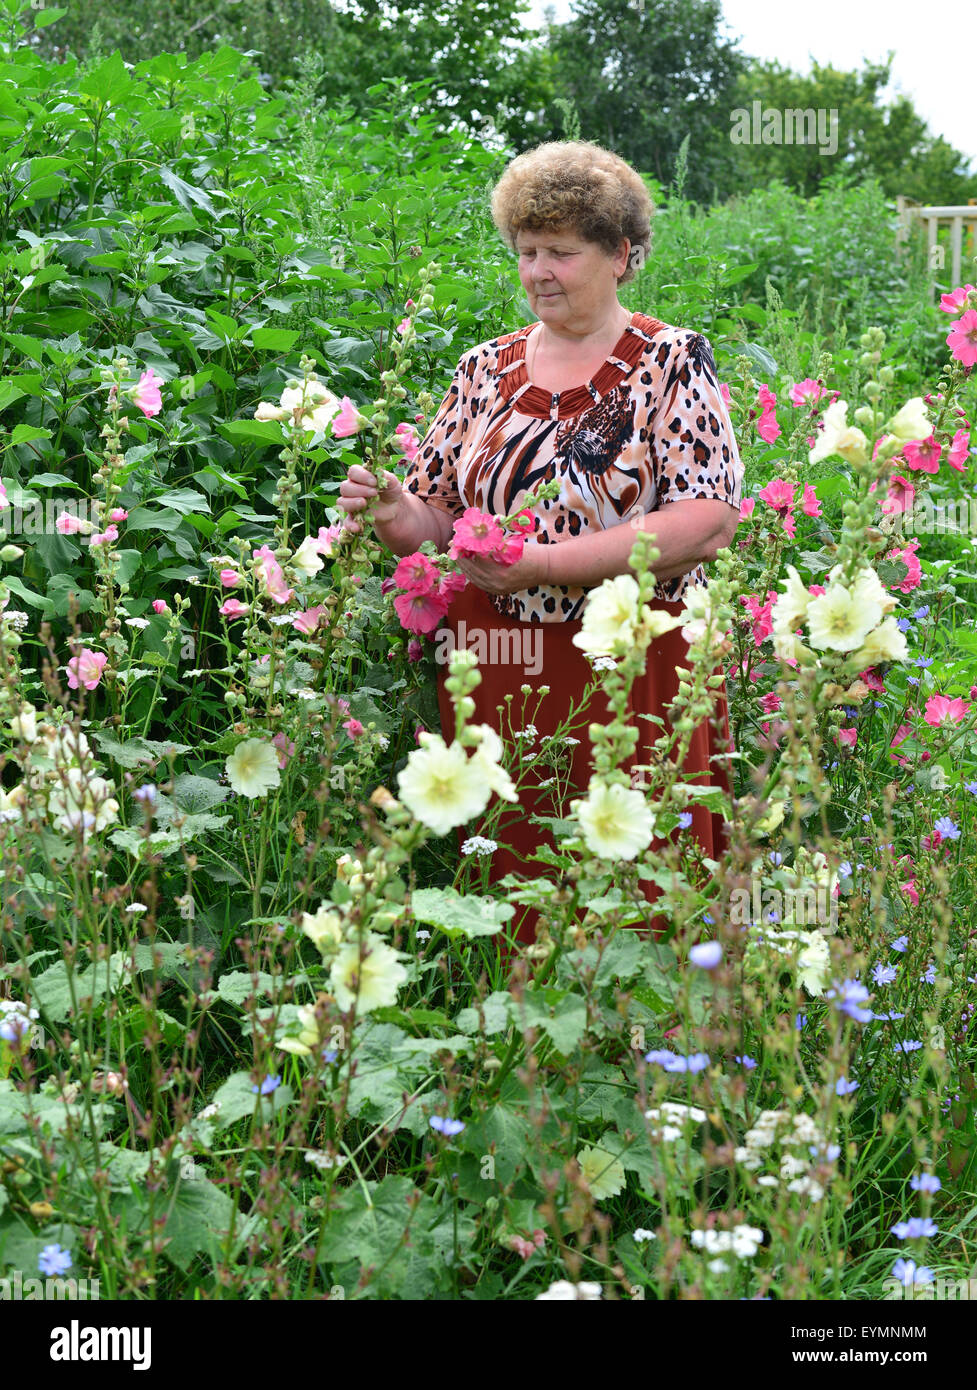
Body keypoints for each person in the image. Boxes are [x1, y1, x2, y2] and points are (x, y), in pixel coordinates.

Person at [338, 139, 744, 949]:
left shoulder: (668, 361)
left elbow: (707, 519)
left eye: (561, 251)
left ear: (621, 255)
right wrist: (390, 512)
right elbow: (438, 518)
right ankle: (524, 1051)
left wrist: (547, 564)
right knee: (516, 885)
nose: (538, 271)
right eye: (526, 252)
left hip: (634, 664)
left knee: (641, 877)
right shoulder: (482, 369)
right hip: (499, 663)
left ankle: (654, 1062)